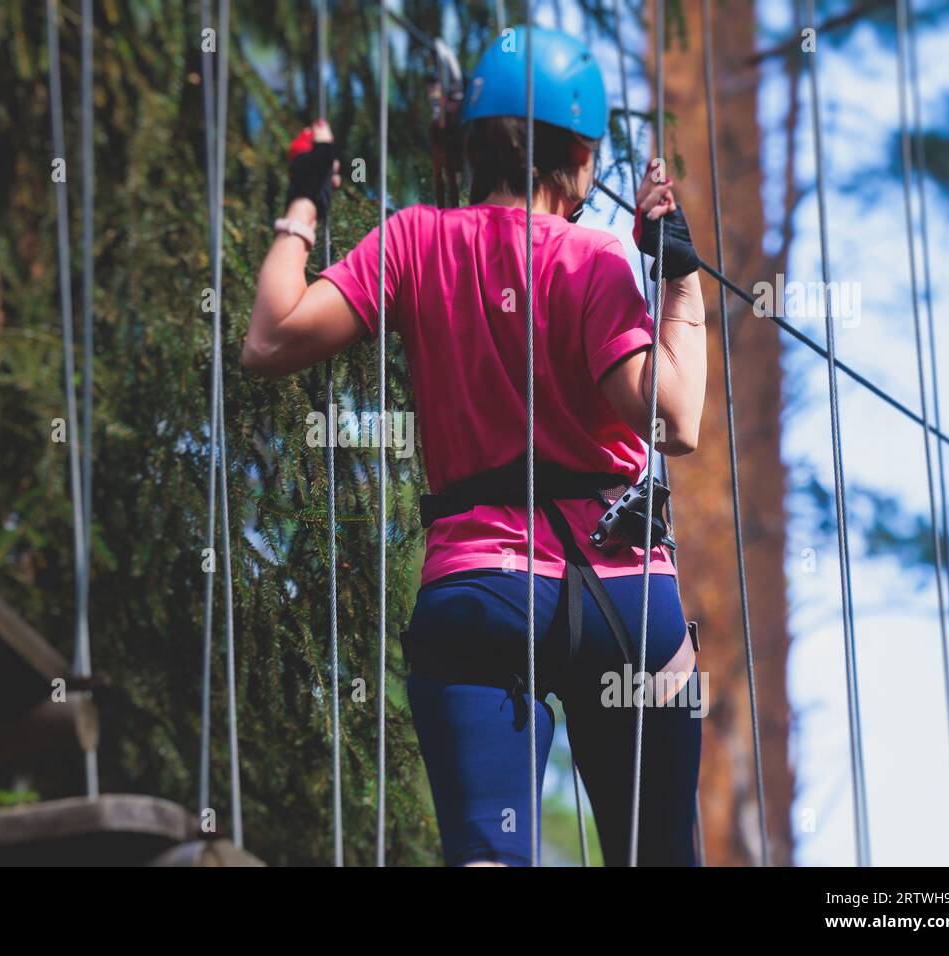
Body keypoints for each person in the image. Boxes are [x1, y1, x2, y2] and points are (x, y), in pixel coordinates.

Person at [242, 26, 707, 867]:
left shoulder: (412, 242)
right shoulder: (595, 261)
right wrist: (678, 276)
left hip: (480, 594)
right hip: (628, 603)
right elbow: (676, 419)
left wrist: (305, 200)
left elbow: (270, 340)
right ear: (580, 157)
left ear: (470, 142)